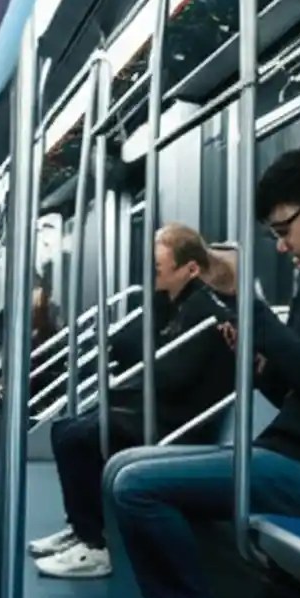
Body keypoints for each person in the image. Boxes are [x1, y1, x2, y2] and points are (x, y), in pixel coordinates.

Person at [103, 148, 300, 598]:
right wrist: (255, 365)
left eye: (283, 231)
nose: (281, 246)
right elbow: (296, 386)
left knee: (136, 487)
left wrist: (247, 303)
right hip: (294, 451)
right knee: (121, 467)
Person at [30, 223, 240, 578]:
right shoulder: (168, 304)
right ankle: (84, 528)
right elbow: (124, 342)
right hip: (159, 409)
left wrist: (134, 370)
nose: (152, 275)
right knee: (66, 427)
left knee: (81, 436)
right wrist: (152, 308)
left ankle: (95, 547)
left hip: (180, 422)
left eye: (158, 269)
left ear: (189, 270)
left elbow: (173, 375)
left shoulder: (204, 311)